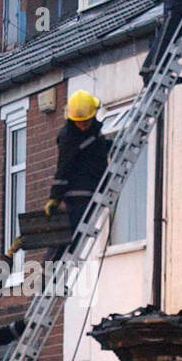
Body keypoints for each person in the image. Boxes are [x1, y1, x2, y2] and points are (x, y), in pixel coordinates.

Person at [45, 91, 111, 262]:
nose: (82, 126)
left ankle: (53, 265)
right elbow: (63, 167)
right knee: (69, 235)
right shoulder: (68, 137)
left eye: (86, 121)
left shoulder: (94, 133)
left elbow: (96, 151)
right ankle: (51, 267)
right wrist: (55, 197)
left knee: (73, 235)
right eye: (79, 122)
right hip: (78, 194)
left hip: (93, 187)